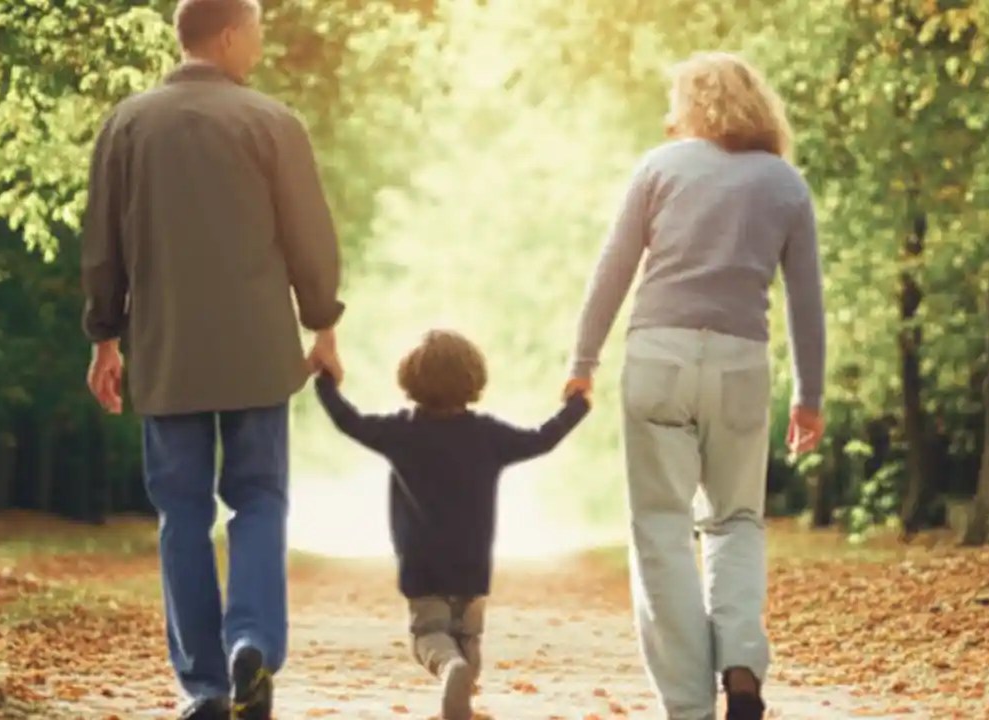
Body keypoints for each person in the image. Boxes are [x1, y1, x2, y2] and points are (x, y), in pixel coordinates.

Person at [80, 1, 345, 717]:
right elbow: (309, 236)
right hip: (258, 352)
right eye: (255, 32)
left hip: (167, 351)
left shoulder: (127, 125)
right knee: (259, 498)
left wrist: (105, 339)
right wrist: (322, 325)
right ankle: (250, 642)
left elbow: (103, 244)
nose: (259, 45)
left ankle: (204, 686)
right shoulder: (272, 123)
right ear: (229, 36)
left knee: (182, 512)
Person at [564, 52, 827, 720]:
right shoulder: (785, 183)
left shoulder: (660, 167)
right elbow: (805, 298)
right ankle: (740, 664)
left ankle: (688, 707)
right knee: (736, 519)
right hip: (740, 362)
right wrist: (809, 397)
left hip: (658, 357)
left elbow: (613, 269)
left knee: (662, 528)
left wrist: (583, 361)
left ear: (695, 106)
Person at [314, 329, 589, 720]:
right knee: (467, 636)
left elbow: (348, 420)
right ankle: (461, 693)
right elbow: (542, 438)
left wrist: (325, 382)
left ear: (411, 379)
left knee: (429, 636)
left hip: (422, 568)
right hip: (472, 567)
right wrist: (576, 405)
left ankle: (450, 670)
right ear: (472, 380)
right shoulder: (488, 435)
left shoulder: (400, 432)